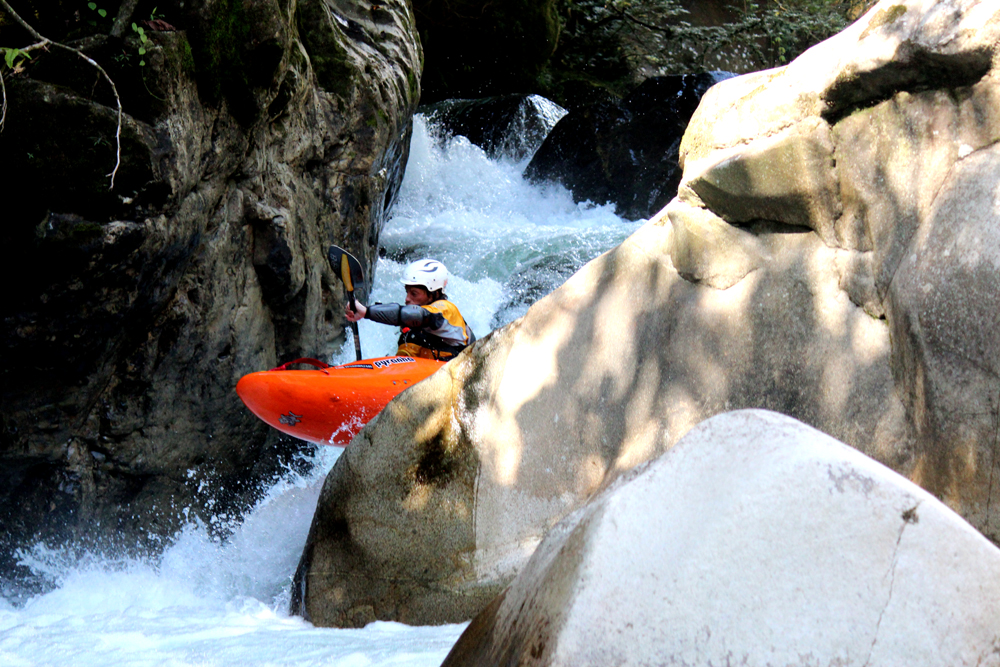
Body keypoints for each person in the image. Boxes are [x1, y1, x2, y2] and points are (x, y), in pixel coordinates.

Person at [344, 259, 475, 360]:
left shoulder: (446, 310)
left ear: (433, 293)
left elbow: (416, 315)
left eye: (414, 293)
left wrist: (367, 312)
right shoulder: (416, 326)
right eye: (407, 292)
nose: (407, 299)